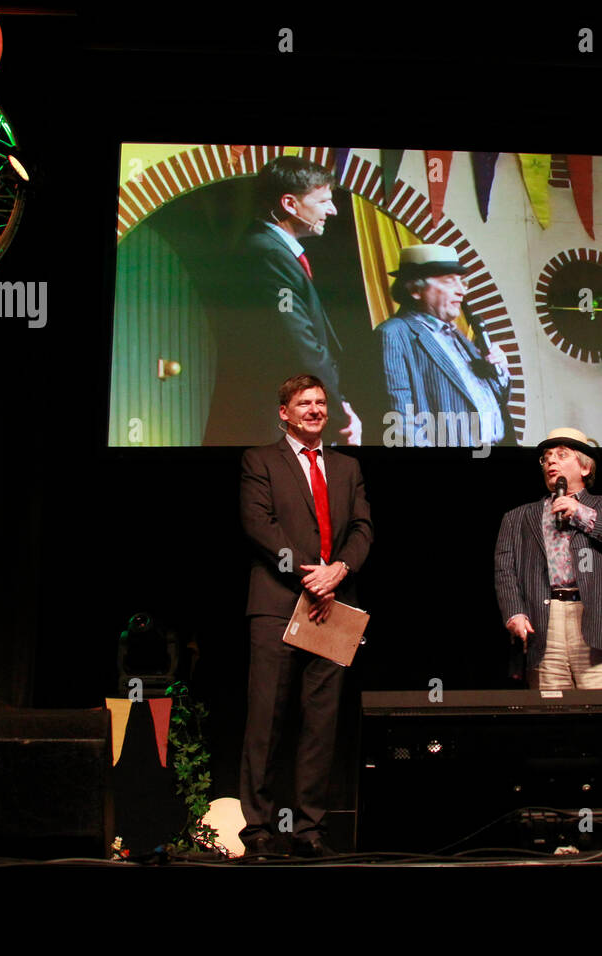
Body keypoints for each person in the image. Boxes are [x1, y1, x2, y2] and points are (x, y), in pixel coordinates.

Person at [237, 374, 373, 856]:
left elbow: (361, 528)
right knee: (266, 720)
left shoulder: (347, 466)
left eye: (320, 403)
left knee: (321, 723)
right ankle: (257, 830)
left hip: (332, 604)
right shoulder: (260, 460)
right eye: (304, 403)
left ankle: (309, 831)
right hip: (278, 603)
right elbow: (258, 523)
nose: (315, 410)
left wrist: (339, 569)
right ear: (285, 412)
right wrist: (306, 572)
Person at [204, 157, 362, 446]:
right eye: (323, 200)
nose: (333, 209)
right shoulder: (268, 255)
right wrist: (339, 416)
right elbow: (299, 344)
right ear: (290, 204)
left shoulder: (270, 250)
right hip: (267, 427)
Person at [494, 427, 602, 688]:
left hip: (598, 619)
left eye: (562, 454)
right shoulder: (517, 517)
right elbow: (504, 570)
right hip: (543, 622)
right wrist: (514, 613)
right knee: (553, 715)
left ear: (585, 468)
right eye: (546, 457)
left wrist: (581, 513)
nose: (551, 461)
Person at [376, 244, 514, 447]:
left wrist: (500, 372)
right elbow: (400, 420)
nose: (461, 291)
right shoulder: (394, 333)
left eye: (462, 282)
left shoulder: (456, 334)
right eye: (450, 282)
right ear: (415, 289)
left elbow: (497, 399)